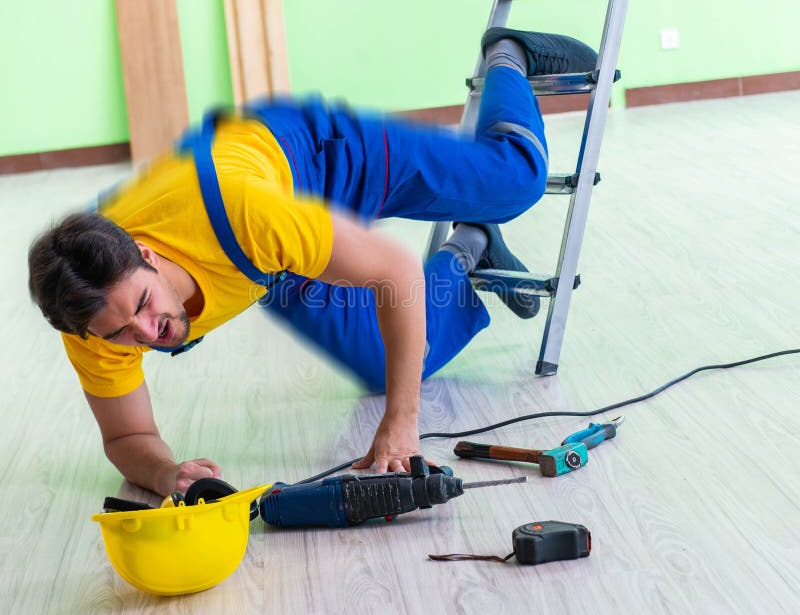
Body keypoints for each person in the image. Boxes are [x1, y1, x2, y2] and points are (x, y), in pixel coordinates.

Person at [27, 29, 598, 496]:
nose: (147, 337)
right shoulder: (89, 311)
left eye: (145, 308)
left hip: (325, 159)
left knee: (516, 180)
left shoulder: (249, 218)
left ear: (146, 254)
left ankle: (509, 55)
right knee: (388, 366)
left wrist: (403, 425)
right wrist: (163, 473)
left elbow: (394, 272)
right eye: (122, 335)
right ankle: (468, 251)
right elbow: (127, 435)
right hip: (270, 260)